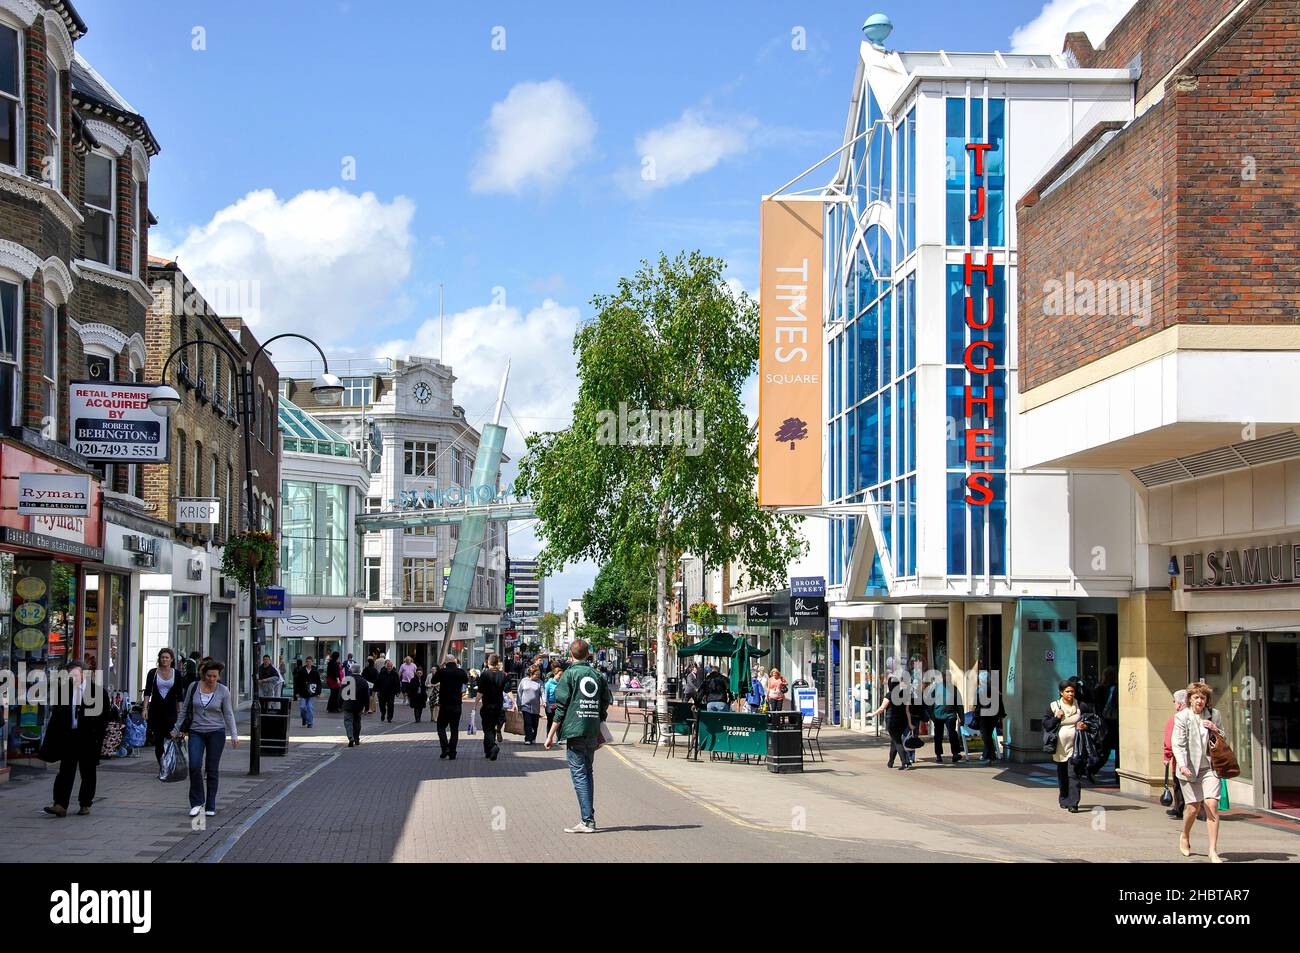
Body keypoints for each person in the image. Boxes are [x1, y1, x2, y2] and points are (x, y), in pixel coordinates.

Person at [545, 639, 612, 833]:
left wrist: (550, 735)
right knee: (587, 772)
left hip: (575, 731)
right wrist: (598, 722)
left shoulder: (569, 675)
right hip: (591, 730)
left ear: (571, 654)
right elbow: (605, 701)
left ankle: (587, 820)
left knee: (580, 775)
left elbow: (561, 708)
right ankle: (588, 817)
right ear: (588, 654)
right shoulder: (597, 675)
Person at [41, 661, 107, 817]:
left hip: (88, 737)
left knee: (88, 772)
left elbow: (103, 718)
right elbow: (56, 716)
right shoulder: (64, 691)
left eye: (75, 674)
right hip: (69, 736)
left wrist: (98, 739)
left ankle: (85, 804)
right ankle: (60, 804)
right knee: (65, 771)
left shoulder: (98, 692)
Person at [177, 660, 240, 818]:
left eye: (215, 676)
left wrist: (234, 734)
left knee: (212, 769)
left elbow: (228, 713)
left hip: (216, 733)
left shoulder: (223, 691)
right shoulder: (193, 687)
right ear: (203, 674)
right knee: (194, 765)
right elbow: (185, 710)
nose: (212, 679)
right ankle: (197, 802)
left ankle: (210, 804)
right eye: (209, 676)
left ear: (218, 676)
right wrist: (176, 728)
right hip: (196, 732)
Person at [1174, 681, 1225, 862]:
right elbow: (1178, 744)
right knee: (1193, 808)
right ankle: (1185, 835)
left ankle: (1213, 850)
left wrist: (1215, 729)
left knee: (1211, 804)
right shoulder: (1182, 717)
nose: (1200, 701)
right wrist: (1182, 765)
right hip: (1188, 768)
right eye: (1196, 697)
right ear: (1189, 699)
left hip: (1210, 767)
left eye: (1203, 698)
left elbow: (1223, 737)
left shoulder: (1214, 715)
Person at [1043, 679, 1094, 813]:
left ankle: (1074, 803)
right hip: (1059, 747)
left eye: (1072, 691)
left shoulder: (1080, 706)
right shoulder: (1054, 706)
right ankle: (1064, 798)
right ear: (1061, 692)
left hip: (1076, 746)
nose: (1070, 694)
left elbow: (1092, 720)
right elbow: (1046, 725)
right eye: (1067, 691)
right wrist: (1056, 718)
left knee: (1073, 774)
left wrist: (1085, 725)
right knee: (1062, 774)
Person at [142, 648, 183, 767]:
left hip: (171, 711)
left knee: (170, 737)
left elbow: (179, 695)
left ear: (171, 659)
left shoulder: (177, 674)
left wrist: (181, 713)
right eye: (162, 657)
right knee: (158, 740)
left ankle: (170, 764)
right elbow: (147, 692)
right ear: (159, 659)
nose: (164, 659)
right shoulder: (153, 673)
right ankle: (162, 765)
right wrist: (145, 708)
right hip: (156, 710)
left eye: (167, 657)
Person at [873, 675, 916, 770]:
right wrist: (909, 724)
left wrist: (872, 714)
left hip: (892, 721)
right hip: (903, 721)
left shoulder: (889, 695)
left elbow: (882, 708)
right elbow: (907, 711)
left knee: (897, 741)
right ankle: (890, 762)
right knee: (894, 741)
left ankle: (905, 762)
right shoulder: (904, 695)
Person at [431, 655, 469, 758]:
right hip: (456, 704)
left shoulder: (442, 671)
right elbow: (466, 680)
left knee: (441, 727)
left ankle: (445, 748)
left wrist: (441, 667)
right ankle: (452, 752)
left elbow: (433, 681)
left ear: (446, 662)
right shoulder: (460, 671)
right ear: (455, 662)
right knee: (454, 729)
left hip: (445, 705)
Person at [477, 655, 509, 759]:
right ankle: (488, 751)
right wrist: (514, 703)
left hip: (487, 706)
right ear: (497, 662)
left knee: (487, 729)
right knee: (492, 728)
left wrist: (475, 704)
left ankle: (493, 747)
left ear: (488, 663)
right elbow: (508, 690)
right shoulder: (503, 675)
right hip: (498, 706)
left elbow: (480, 691)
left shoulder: (484, 674)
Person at [1163, 689, 1189, 820]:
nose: (1174, 704)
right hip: (1196, 760)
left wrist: (1166, 756)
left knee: (1178, 783)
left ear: (1179, 704)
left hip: (1180, 760)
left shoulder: (1175, 719)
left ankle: (1179, 808)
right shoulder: (1197, 715)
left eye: (1174, 702)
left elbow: (1169, 742)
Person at [1095, 666, 1120, 777]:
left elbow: (1097, 707)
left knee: (1105, 751)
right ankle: (1117, 776)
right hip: (1112, 723)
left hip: (1104, 723)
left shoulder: (1099, 688)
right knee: (1111, 750)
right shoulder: (1114, 689)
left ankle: (1091, 769)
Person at [931, 679, 962, 764]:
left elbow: (959, 704)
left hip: (950, 715)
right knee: (938, 735)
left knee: (952, 733)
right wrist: (932, 716)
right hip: (938, 715)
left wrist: (962, 717)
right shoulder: (934, 689)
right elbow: (929, 703)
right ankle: (938, 755)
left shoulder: (953, 689)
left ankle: (955, 753)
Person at [341, 669, 371, 747]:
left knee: (348, 721)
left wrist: (340, 704)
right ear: (359, 671)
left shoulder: (346, 679)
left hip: (348, 704)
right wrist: (367, 707)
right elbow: (366, 696)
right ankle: (356, 739)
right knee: (357, 721)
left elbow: (341, 693)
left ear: (352, 671)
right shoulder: (363, 681)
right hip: (358, 705)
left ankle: (350, 736)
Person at [516, 664, 544, 744]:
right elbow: (519, 692)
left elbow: (543, 692)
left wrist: (544, 701)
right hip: (525, 706)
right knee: (527, 723)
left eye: (539, 674)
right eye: (536, 674)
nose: (538, 676)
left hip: (535, 707)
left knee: (535, 724)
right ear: (531, 673)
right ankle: (528, 739)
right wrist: (519, 704)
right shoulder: (524, 681)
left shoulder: (540, 682)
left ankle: (533, 737)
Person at [294, 656, 322, 727]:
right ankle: (304, 718)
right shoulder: (301, 670)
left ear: (312, 662)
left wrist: (318, 692)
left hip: (312, 692)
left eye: (309, 661)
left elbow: (318, 682)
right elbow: (297, 682)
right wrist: (296, 692)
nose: (308, 663)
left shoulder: (315, 671)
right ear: (305, 662)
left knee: (310, 706)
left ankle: (310, 722)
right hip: (303, 692)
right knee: (302, 707)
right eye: (307, 661)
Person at [376, 659, 401, 723]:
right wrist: (375, 689)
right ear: (386, 666)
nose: (389, 668)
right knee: (382, 704)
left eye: (390, 666)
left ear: (392, 667)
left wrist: (398, 691)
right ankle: (383, 713)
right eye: (388, 666)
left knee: (390, 704)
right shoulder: (382, 672)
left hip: (391, 692)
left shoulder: (395, 673)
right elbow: (378, 681)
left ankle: (389, 717)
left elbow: (397, 683)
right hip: (382, 692)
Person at [544, 666, 561, 733]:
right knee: (550, 722)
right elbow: (546, 696)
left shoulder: (562, 683)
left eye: (562, 675)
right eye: (559, 675)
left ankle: (558, 739)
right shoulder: (548, 684)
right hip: (550, 707)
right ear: (555, 674)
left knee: (559, 723)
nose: (561, 676)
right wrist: (547, 706)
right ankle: (548, 737)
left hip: (558, 707)